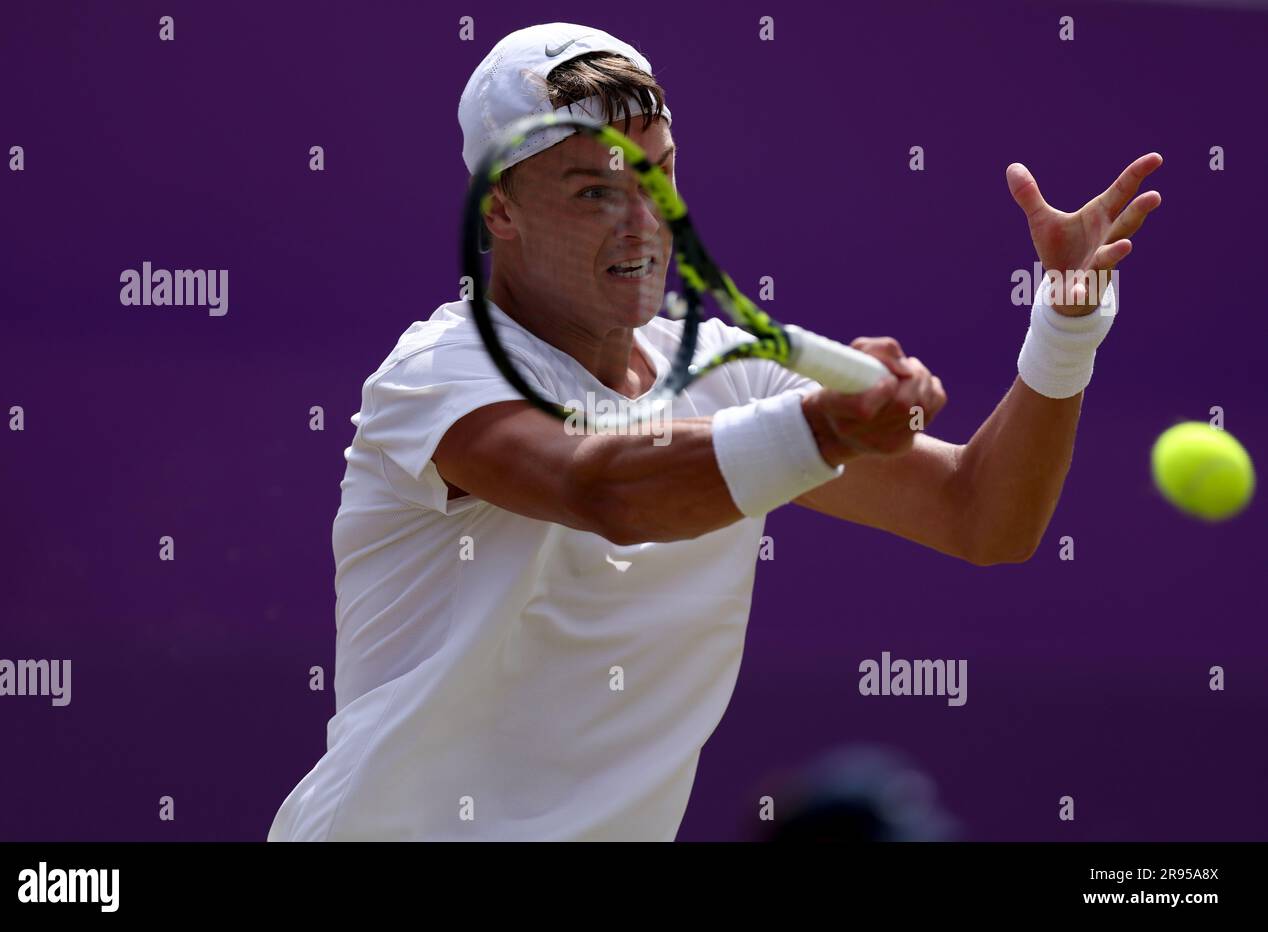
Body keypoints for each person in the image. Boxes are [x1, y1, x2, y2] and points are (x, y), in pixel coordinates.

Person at [268, 22, 1161, 841]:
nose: (644, 219)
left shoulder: (736, 371)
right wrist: (820, 428)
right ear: (496, 211)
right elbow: (602, 487)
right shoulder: (441, 369)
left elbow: (984, 517)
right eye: (593, 189)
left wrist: (1065, 330)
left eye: (658, 172)